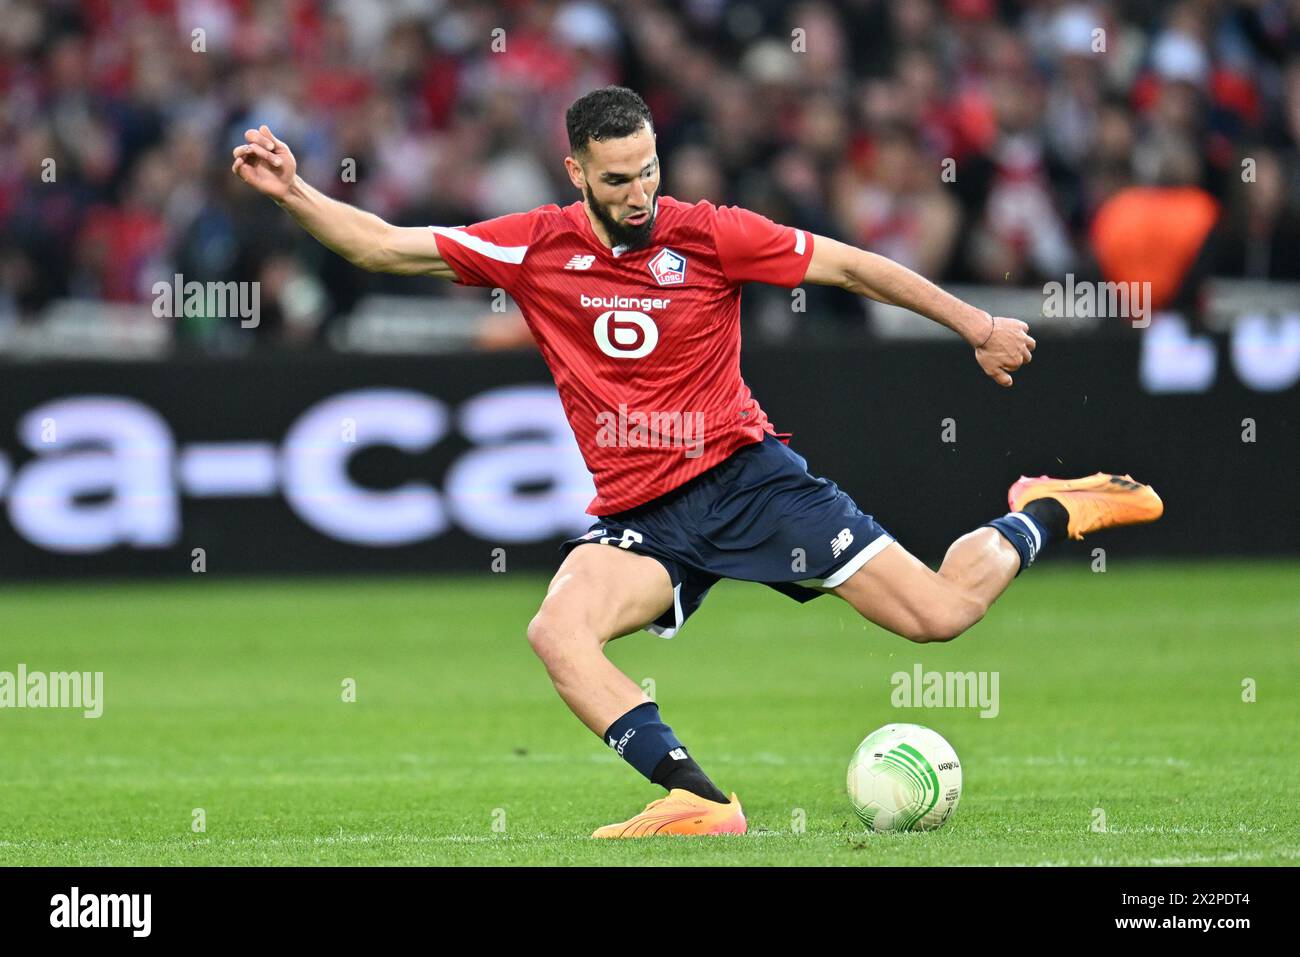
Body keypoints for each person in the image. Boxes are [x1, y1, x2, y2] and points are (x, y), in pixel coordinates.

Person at [232, 86, 1162, 838]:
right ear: (576, 173)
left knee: (942, 616)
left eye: (648, 172)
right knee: (557, 631)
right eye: (618, 179)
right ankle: (700, 801)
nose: (639, 193)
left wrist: (977, 325)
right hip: (644, 519)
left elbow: (850, 267)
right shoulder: (534, 246)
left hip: (749, 483)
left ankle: (1045, 507)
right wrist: (294, 193)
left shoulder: (708, 233)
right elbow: (385, 246)